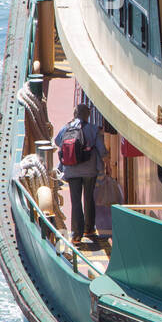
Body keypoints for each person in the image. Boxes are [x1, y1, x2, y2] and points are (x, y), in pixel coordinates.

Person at [54, 102, 107, 244]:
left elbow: (57, 141)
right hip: (90, 171)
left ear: (75, 114)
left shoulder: (66, 127)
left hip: (71, 169)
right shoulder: (93, 129)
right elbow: (102, 151)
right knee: (88, 198)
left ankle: (76, 235)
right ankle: (89, 229)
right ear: (88, 116)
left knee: (75, 201)